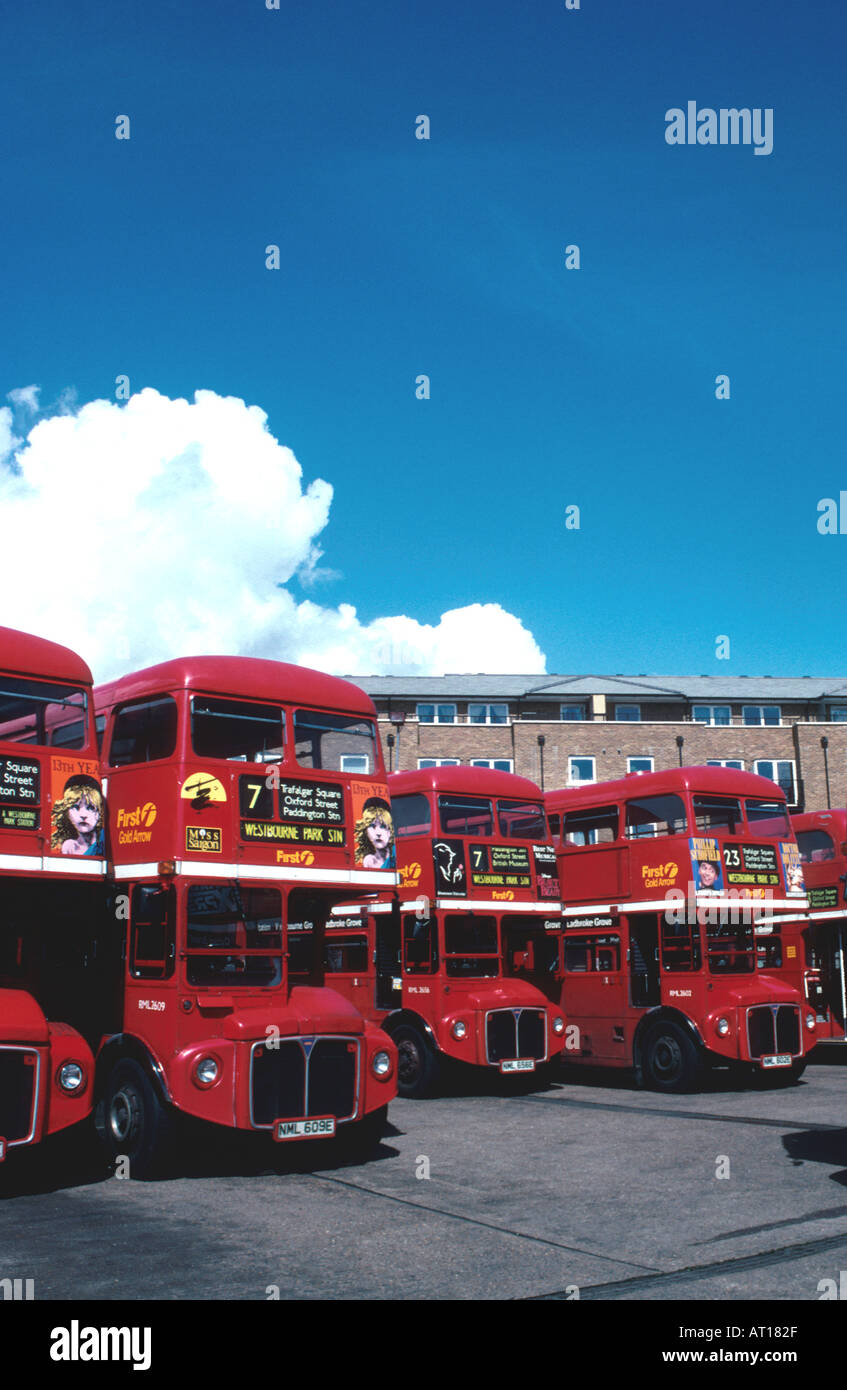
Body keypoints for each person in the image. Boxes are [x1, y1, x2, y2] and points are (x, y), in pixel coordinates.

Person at [51, 774, 105, 857]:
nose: (83, 815)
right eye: (75, 807)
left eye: (90, 808)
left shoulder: (105, 841)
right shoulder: (70, 847)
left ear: (100, 812)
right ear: (67, 811)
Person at [354, 797, 395, 869]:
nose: (378, 833)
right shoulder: (369, 861)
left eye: (383, 826)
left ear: (390, 831)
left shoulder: (397, 856)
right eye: (372, 826)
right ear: (366, 831)